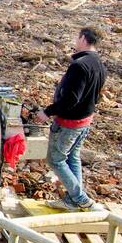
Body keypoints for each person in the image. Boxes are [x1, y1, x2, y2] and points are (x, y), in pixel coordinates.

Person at [32, 26, 107, 210]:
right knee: (72, 157)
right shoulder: (99, 64)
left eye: (77, 38)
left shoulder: (79, 66)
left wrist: (47, 112)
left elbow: (71, 99)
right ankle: (73, 200)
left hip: (70, 123)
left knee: (55, 159)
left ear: (83, 39)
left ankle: (80, 198)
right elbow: (96, 95)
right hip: (85, 121)